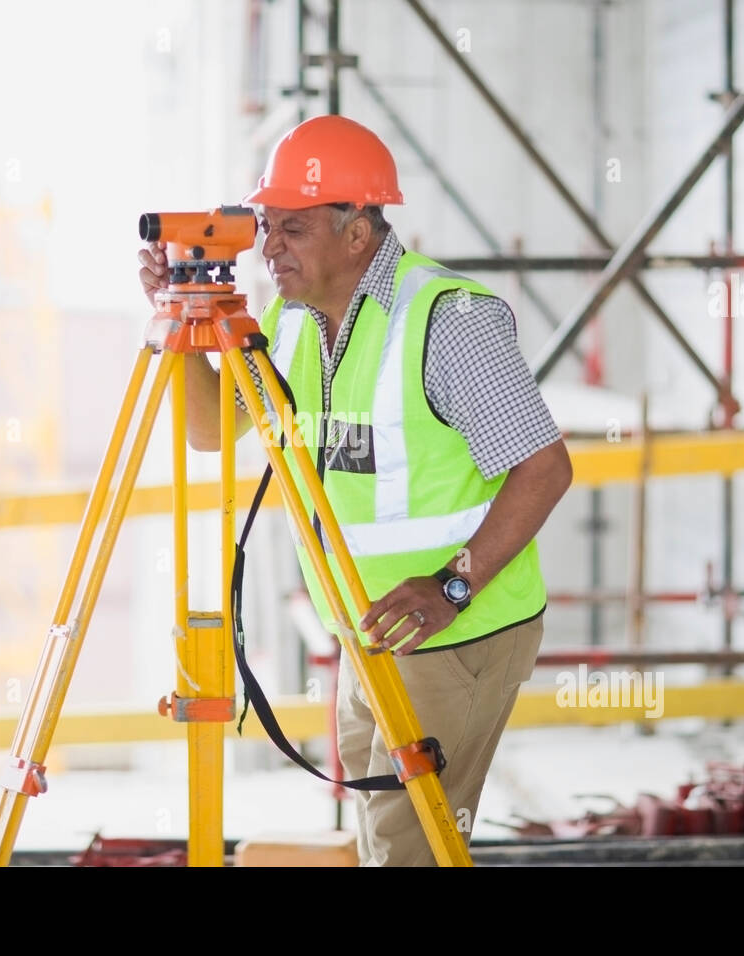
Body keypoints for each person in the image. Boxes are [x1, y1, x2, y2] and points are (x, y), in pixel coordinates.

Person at [138, 115, 573, 866]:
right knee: (380, 836)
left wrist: (454, 588)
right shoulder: (295, 323)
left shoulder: (449, 319)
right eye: (267, 226)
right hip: (367, 633)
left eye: (293, 229)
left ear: (358, 231)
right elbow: (212, 431)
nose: (269, 246)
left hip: (453, 633)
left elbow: (545, 468)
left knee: (413, 847)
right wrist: (181, 317)